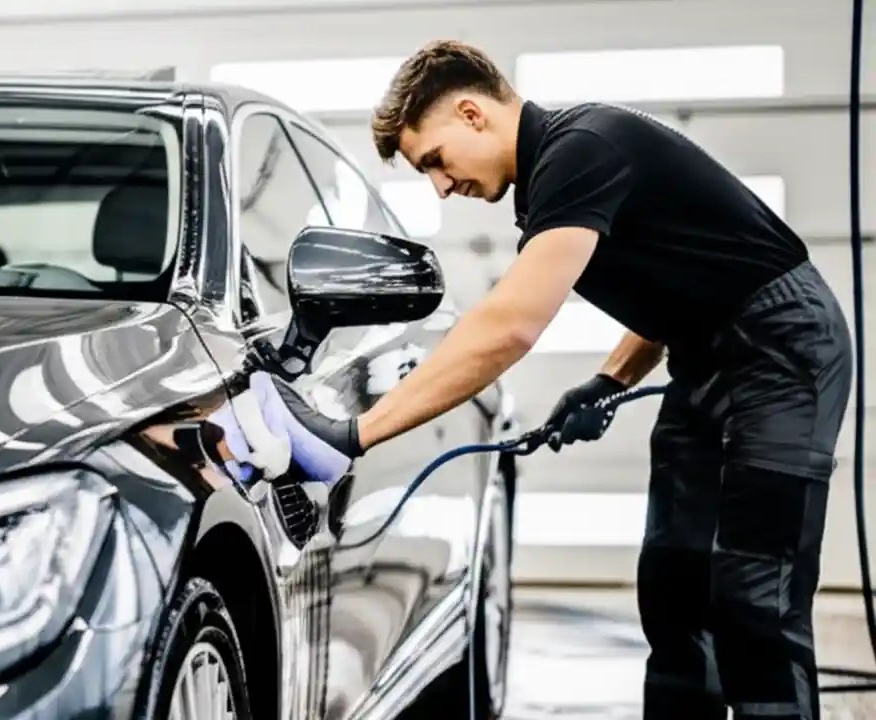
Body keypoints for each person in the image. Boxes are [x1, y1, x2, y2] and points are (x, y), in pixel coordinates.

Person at [228, 40, 854, 720]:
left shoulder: (583, 150)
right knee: (674, 585)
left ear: (472, 114)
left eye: (434, 160)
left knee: (754, 597)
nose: (440, 186)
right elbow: (685, 285)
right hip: (703, 356)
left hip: (785, 349)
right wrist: (608, 381)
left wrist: (352, 434)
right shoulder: (560, 175)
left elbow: (509, 326)